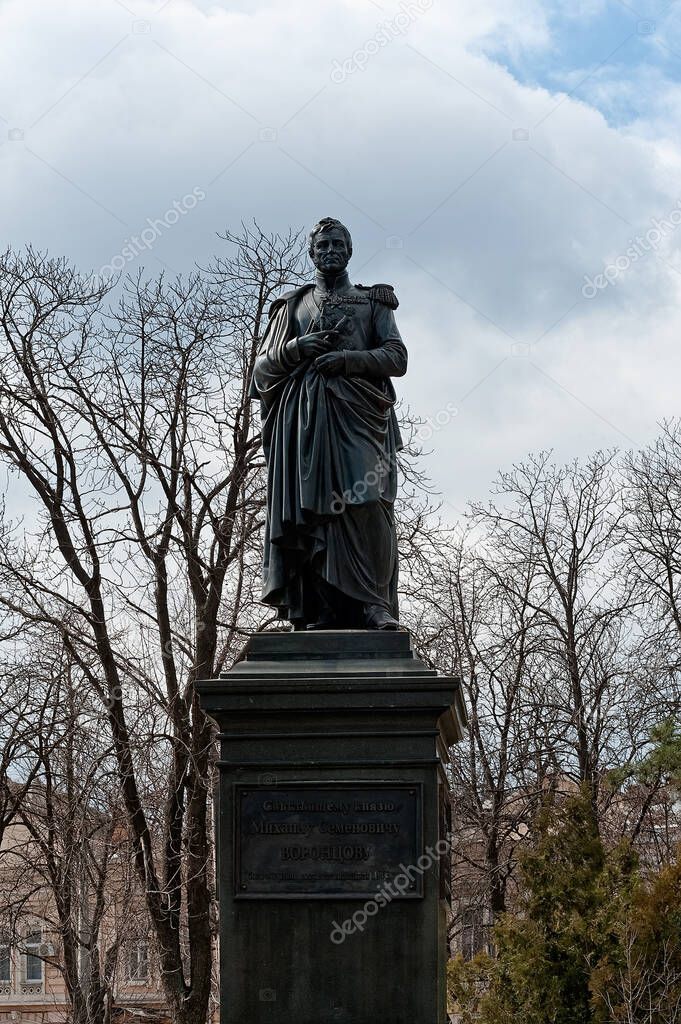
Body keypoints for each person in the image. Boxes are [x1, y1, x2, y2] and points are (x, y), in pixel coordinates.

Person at [250, 217, 408, 630]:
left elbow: (397, 357)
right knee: (313, 509)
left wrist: (348, 361)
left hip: (360, 416)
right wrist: (297, 348)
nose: (331, 250)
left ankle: (375, 605)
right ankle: (320, 609)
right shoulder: (291, 307)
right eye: (323, 245)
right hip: (305, 424)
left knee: (370, 501)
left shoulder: (372, 302)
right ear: (311, 252)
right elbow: (260, 373)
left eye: (338, 243)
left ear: (350, 251)